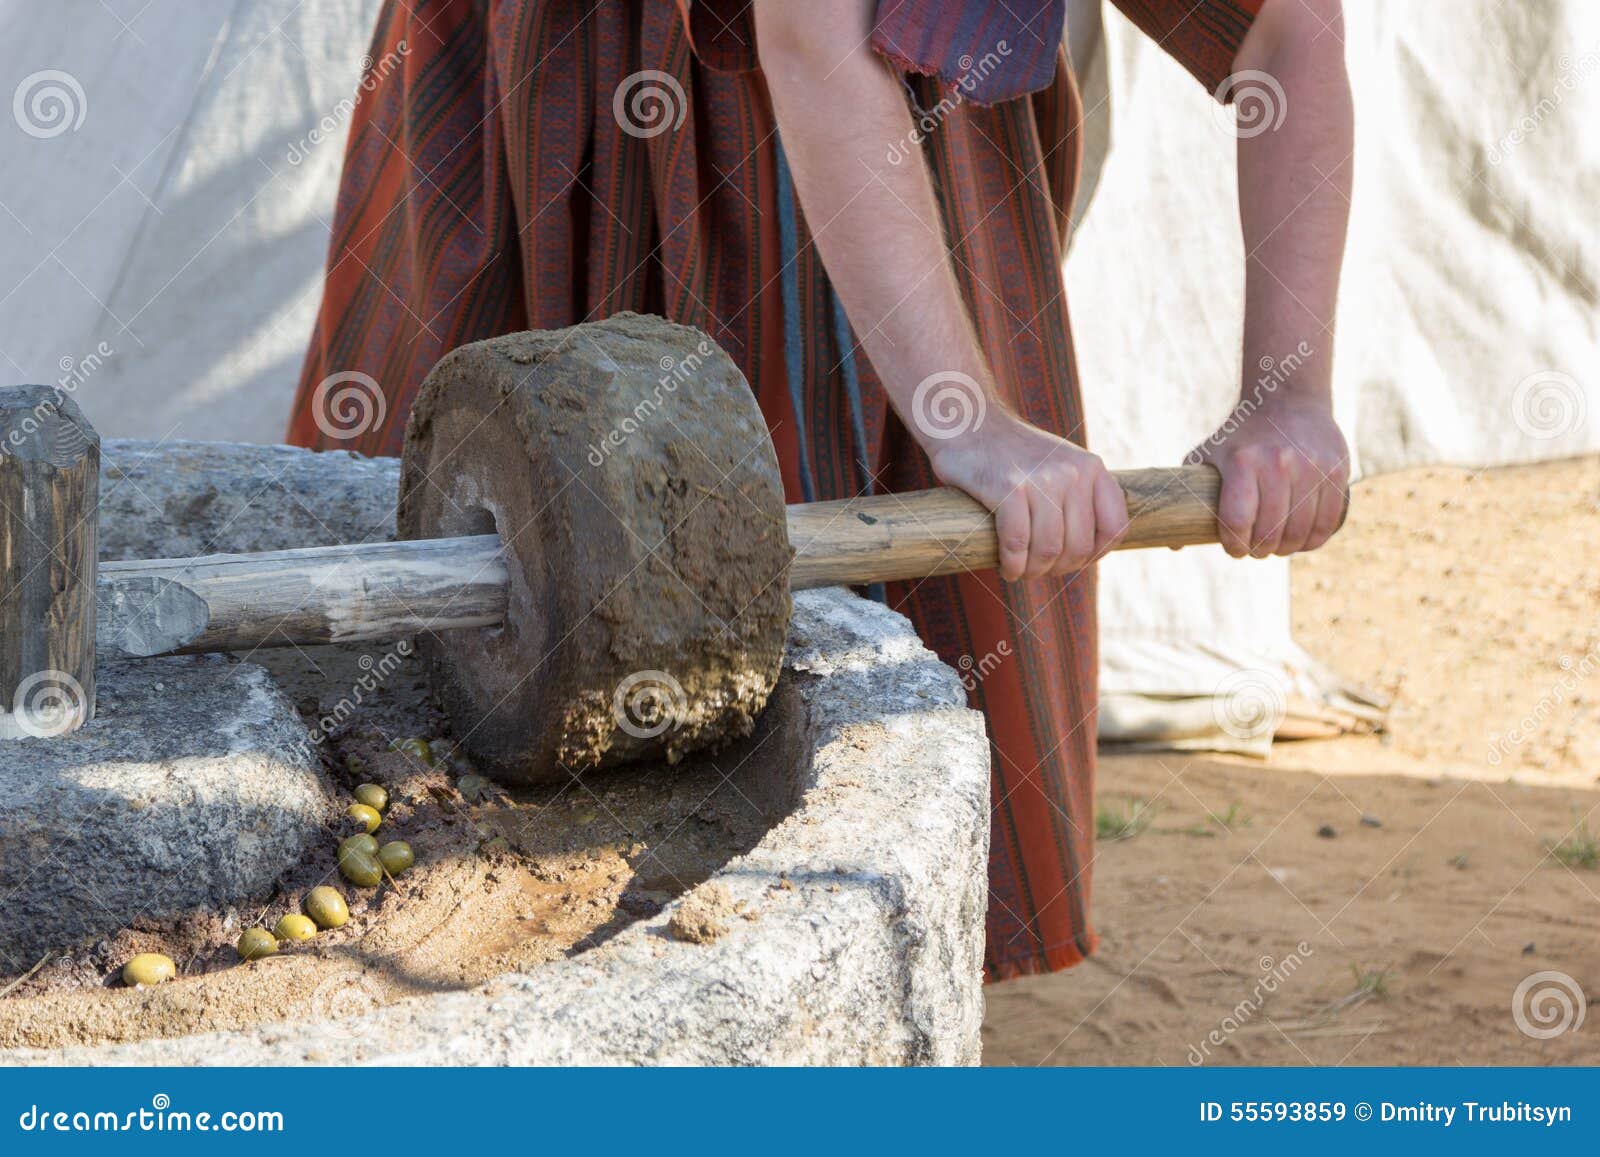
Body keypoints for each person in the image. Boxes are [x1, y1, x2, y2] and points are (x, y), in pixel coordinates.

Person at [287, 0, 1352, 980]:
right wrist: (966, 419)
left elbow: (1286, 30)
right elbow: (811, 37)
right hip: (596, 90)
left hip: (913, 127)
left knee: (886, 699)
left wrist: (1290, 392)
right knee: (525, 656)